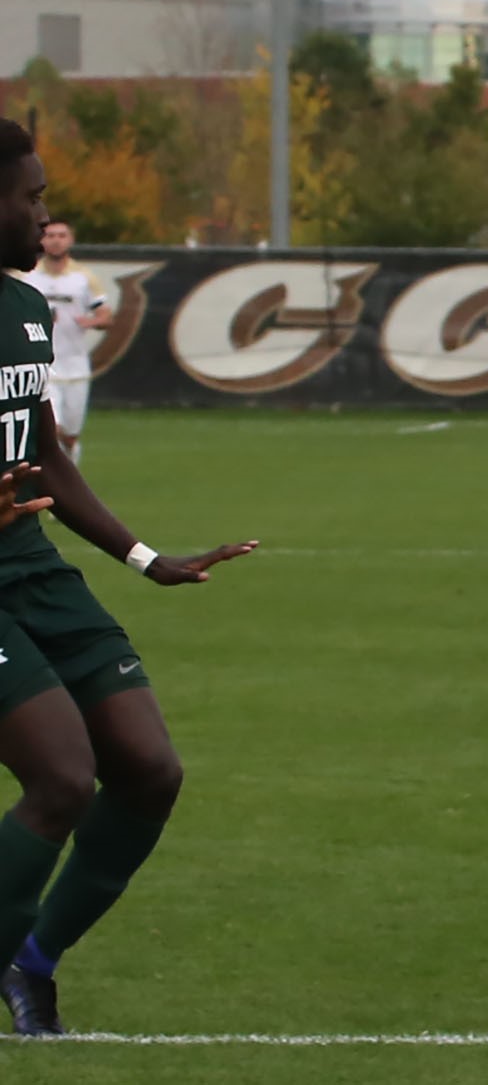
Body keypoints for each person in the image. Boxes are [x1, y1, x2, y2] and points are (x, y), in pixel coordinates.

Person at [0, 117, 258, 1035]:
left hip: (30, 567)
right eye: (29, 196)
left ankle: (34, 962)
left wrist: (145, 557)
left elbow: (44, 461)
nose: (44, 212)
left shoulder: (27, 311)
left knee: (149, 769)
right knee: (62, 777)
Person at [17, 219, 109, 465]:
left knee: (70, 435)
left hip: (76, 365)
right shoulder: (28, 277)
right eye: (50, 235)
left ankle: (70, 472)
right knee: (51, 428)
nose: (55, 240)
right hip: (44, 367)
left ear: (70, 240)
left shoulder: (83, 278)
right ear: (41, 240)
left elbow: (105, 317)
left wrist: (91, 322)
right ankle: (52, 478)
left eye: (61, 235)